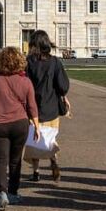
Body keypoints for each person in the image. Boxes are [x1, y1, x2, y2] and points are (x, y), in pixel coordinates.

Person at [0, 46, 39, 210]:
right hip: (19, 124)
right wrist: (36, 127)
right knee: (15, 161)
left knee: (0, 161)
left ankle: (1, 192)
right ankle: (13, 193)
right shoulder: (25, 81)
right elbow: (32, 107)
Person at [25, 29, 70, 183]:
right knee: (50, 138)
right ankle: (53, 159)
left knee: (34, 140)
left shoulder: (29, 62)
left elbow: (26, 85)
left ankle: (36, 172)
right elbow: (63, 86)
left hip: (34, 108)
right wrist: (63, 96)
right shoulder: (55, 62)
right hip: (52, 108)